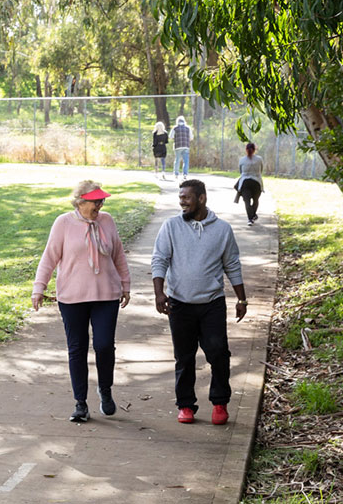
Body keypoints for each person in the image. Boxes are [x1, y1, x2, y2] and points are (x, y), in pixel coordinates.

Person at [33, 181, 131, 423]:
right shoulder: (63, 223)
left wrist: (126, 286)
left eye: (102, 201)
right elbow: (49, 257)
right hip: (72, 297)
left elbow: (118, 254)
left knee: (104, 345)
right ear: (80, 202)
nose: (100, 205)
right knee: (76, 349)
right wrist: (39, 288)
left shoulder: (107, 221)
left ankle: (105, 390)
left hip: (106, 295)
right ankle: (80, 403)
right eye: (95, 201)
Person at [151, 179, 248, 425]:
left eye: (187, 198)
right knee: (184, 357)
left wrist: (242, 298)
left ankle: (219, 403)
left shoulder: (223, 230)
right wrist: (159, 293)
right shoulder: (171, 226)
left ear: (201, 198)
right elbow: (160, 259)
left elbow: (232, 265)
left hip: (211, 303)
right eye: (180, 197)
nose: (181, 202)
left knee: (218, 353)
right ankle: (185, 405)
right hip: (179, 304)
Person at [236, 143, 264, 225]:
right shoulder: (259, 159)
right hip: (256, 182)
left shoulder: (242, 160)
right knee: (255, 200)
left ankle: (250, 218)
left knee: (247, 202)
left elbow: (241, 171)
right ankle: (253, 215)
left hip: (245, 182)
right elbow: (261, 170)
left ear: (246, 150)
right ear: (254, 150)